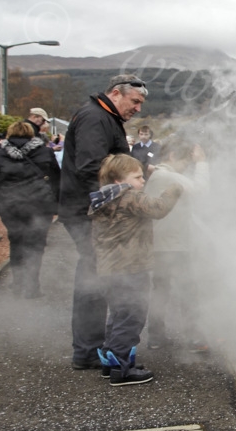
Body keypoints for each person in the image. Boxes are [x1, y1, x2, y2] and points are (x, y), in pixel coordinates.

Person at [59, 74, 148, 371]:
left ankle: (91, 348)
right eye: (135, 101)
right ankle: (89, 350)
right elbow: (92, 169)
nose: (137, 108)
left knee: (95, 275)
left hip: (87, 210)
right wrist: (126, 198)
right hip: (87, 212)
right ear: (115, 94)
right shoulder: (95, 118)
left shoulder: (102, 117)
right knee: (95, 278)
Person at [88, 153, 183, 386]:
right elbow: (159, 208)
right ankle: (121, 369)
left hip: (110, 268)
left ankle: (111, 361)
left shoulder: (103, 199)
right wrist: (176, 187)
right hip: (131, 268)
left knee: (118, 314)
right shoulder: (129, 196)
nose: (142, 181)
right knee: (132, 316)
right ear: (119, 180)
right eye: (137, 177)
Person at [144, 141, 208, 350]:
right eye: (185, 162)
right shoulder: (166, 176)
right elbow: (200, 190)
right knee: (187, 289)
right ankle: (194, 337)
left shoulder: (159, 174)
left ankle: (156, 336)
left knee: (161, 289)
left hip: (164, 242)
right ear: (172, 156)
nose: (186, 166)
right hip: (172, 244)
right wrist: (201, 162)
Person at [0, 121, 61, 298]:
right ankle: (32, 287)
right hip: (40, 205)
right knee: (36, 245)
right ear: (31, 135)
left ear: (9, 134)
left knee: (16, 243)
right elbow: (56, 178)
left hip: (11, 205)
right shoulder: (45, 152)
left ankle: (18, 284)